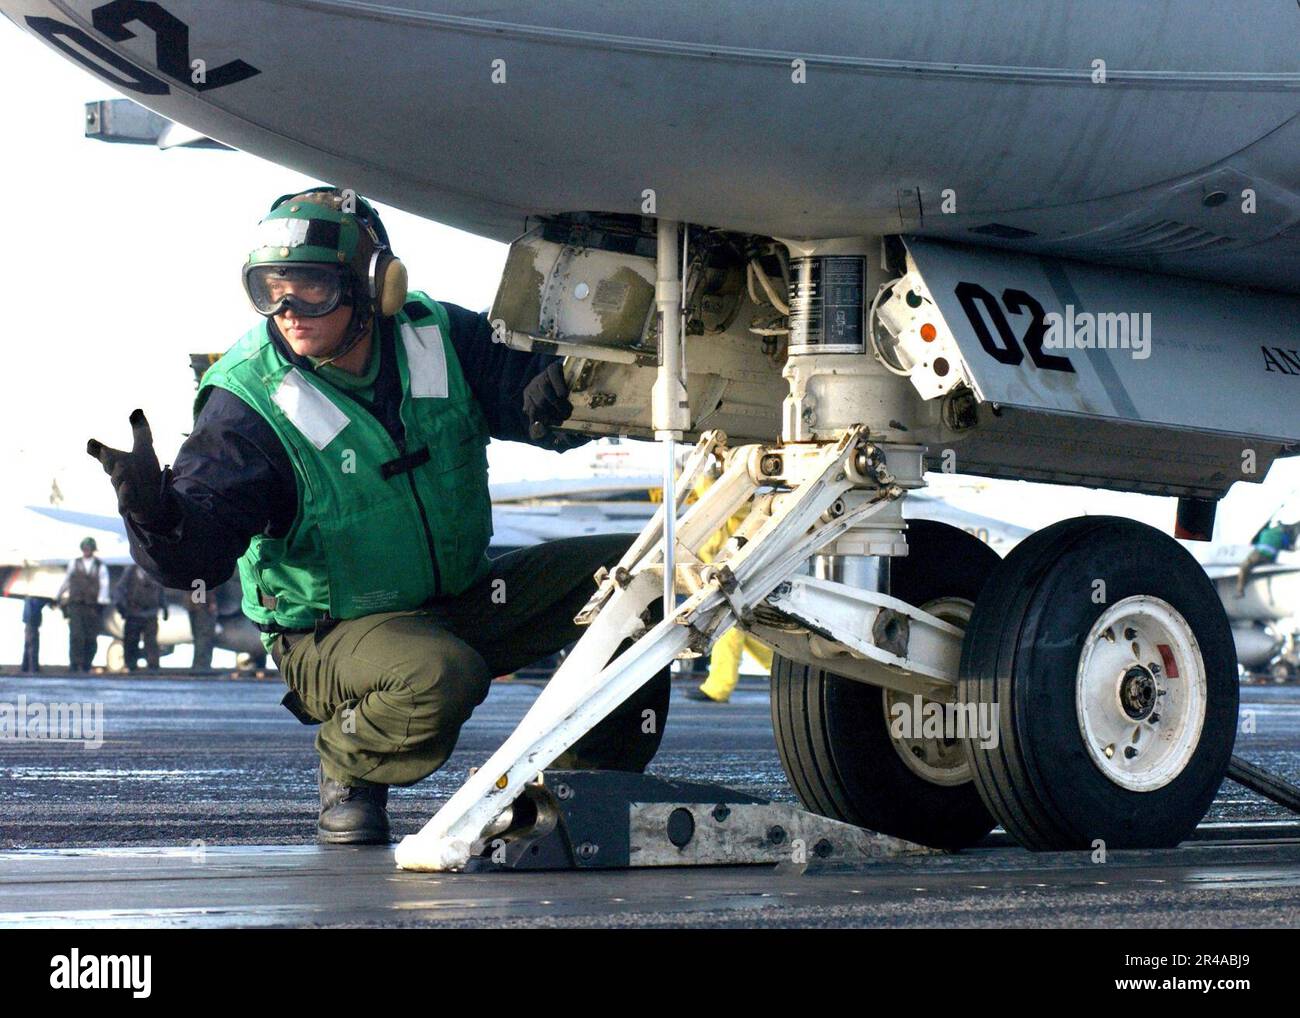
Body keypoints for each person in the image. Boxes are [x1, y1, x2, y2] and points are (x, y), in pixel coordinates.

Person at [87, 188, 670, 844]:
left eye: (310, 289)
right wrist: (153, 514)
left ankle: (581, 788)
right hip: (334, 637)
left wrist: (560, 397)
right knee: (441, 675)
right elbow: (198, 556)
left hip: (462, 600)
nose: (287, 311)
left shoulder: (438, 337)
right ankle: (347, 761)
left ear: (374, 286)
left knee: (641, 579)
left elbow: (528, 401)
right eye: (269, 290)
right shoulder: (248, 406)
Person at [683, 472, 772, 703]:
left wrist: (692, 472)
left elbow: (708, 494)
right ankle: (781, 664)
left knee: (726, 627)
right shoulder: (731, 506)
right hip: (723, 574)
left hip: (733, 575)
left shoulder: (734, 504)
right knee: (745, 630)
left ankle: (718, 688)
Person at [55, 537, 109, 671]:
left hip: (92, 606)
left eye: (89, 548)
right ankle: (75, 663)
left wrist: (101, 602)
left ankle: (86, 663)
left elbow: (104, 585)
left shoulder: (100, 566)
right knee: (76, 635)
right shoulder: (74, 563)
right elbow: (67, 580)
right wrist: (59, 595)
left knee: (91, 636)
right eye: (85, 548)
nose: (86, 551)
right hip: (76, 604)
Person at [114, 563, 167, 671]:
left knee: (151, 641)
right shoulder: (130, 571)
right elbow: (120, 588)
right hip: (134, 612)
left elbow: (160, 590)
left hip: (151, 613)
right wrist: (120, 605)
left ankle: (153, 665)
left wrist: (164, 607)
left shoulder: (155, 571)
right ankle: (131, 665)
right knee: (131, 640)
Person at [1236, 517, 1300, 597]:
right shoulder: (1281, 535)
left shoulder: (1266, 532)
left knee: (1244, 567)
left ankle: (1240, 591)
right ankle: (1241, 588)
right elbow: (1289, 547)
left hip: (1258, 554)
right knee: (1247, 567)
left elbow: (1254, 542)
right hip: (1269, 557)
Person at [20, 596, 54, 673]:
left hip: (29, 619)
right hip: (32, 619)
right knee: (33, 644)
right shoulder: (35, 596)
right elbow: (39, 603)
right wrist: (49, 600)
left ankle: (26, 667)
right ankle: (33, 667)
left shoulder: (30, 596)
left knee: (28, 643)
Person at [187, 594, 218, 672]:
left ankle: (199, 666)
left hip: (195, 607)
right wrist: (211, 602)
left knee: (199, 638)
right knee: (204, 638)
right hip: (203, 609)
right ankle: (202, 666)